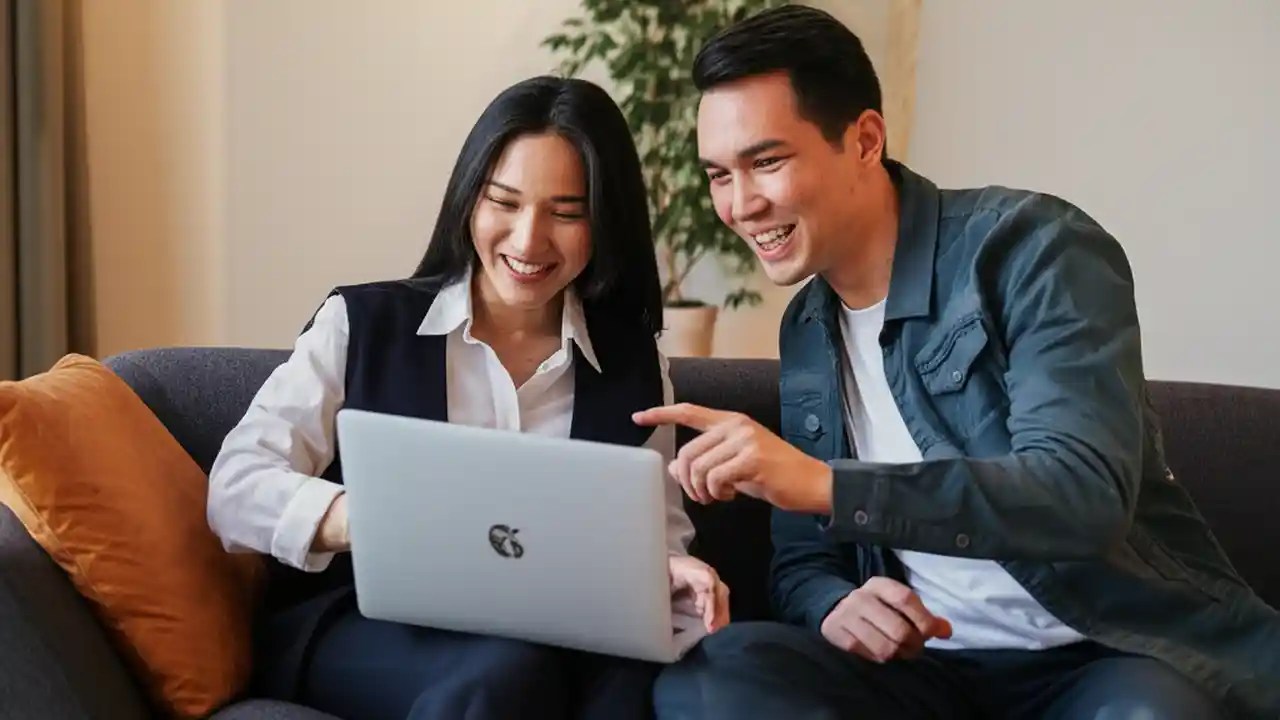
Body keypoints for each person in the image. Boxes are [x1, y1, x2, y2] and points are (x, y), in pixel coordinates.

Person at [635, 5, 1280, 719]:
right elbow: (803, 561)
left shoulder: (1034, 251)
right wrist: (836, 604)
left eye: (767, 162)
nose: (739, 204)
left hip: (1104, 658)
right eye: (719, 175)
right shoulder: (809, 328)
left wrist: (828, 484)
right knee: (711, 678)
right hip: (926, 672)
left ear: (865, 140)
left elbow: (1081, 493)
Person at [206, 75, 730, 720]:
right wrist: (369, 520)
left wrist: (669, 572)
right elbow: (235, 487)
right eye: (503, 202)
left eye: (566, 213)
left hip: (560, 633)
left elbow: (659, 530)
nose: (528, 240)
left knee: (630, 692)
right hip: (372, 627)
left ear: (605, 222)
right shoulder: (362, 324)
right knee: (503, 676)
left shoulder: (633, 365)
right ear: (468, 200)